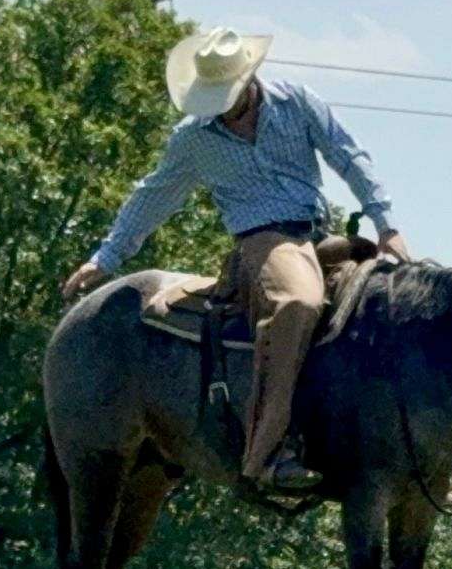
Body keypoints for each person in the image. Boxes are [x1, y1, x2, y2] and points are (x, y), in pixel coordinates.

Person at [63, 27, 410, 492]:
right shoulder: (193, 140)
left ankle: (405, 451)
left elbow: (349, 156)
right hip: (263, 242)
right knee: (297, 304)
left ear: (248, 79)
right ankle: (267, 451)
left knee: (398, 294)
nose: (221, 106)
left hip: (319, 236)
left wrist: (385, 225)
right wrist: (107, 257)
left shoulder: (297, 102)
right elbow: (155, 195)